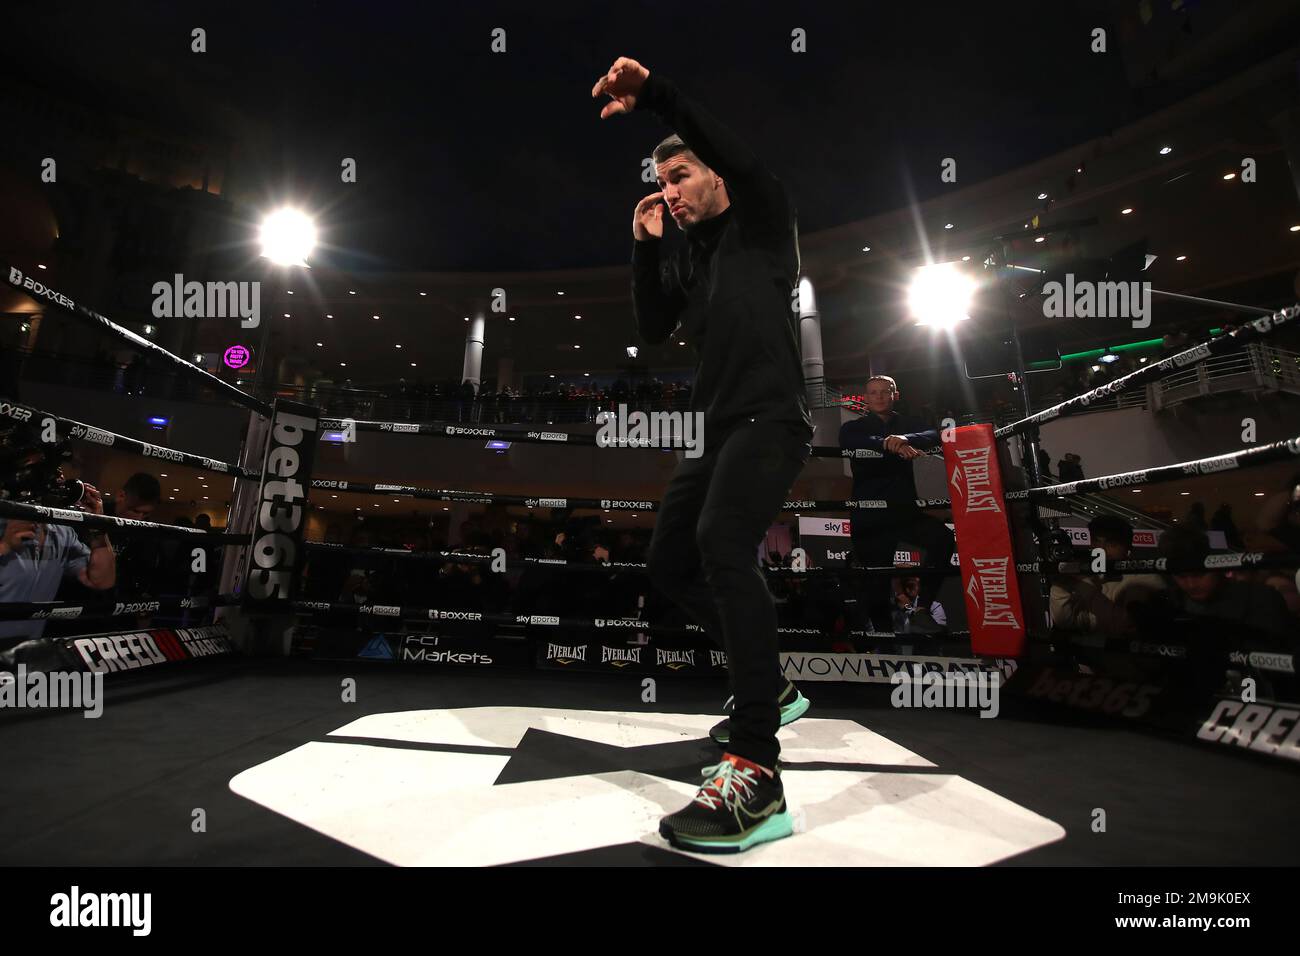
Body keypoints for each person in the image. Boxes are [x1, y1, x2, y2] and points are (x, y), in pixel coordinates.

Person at [598, 54, 811, 852]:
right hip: (717, 430)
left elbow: (744, 158)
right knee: (669, 566)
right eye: (663, 181)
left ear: (716, 171)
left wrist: (657, 95)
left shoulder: (762, 217)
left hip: (772, 420)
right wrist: (645, 246)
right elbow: (654, 329)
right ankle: (775, 686)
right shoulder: (696, 253)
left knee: (724, 543)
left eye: (684, 174)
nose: (673, 190)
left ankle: (757, 767)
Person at [839, 375, 955, 633]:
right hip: (870, 516)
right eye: (873, 392)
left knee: (944, 540)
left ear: (895, 395)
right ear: (866, 398)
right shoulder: (853, 427)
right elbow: (849, 442)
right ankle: (884, 645)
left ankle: (922, 609)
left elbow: (933, 434)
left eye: (885, 391)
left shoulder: (908, 424)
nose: (879, 396)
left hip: (904, 511)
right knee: (876, 587)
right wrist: (886, 444)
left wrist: (903, 437)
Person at [0, 482, 116, 642]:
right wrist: (3, 546)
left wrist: (98, 526)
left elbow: (101, 581)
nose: (59, 478)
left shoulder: (62, 532)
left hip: (26, 654)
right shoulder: (4, 519)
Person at [1049, 514, 1165, 638]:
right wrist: (1061, 586)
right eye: (1096, 541)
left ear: (1127, 548)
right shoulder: (1091, 575)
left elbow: (1124, 626)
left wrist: (1083, 586)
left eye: (1112, 544)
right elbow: (1065, 623)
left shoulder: (1145, 579)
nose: (1101, 550)